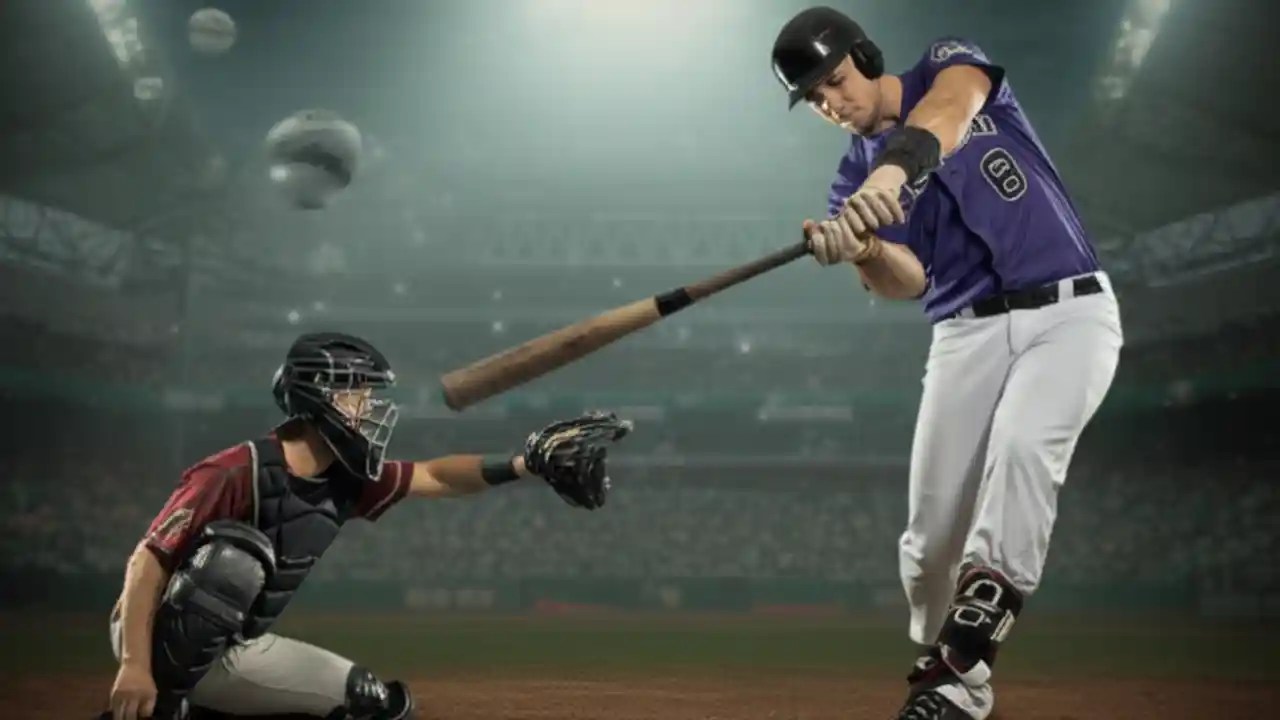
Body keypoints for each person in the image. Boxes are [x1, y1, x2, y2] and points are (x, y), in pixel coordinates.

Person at [770, 7, 1123, 719]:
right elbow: (906, 282)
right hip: (965, 335)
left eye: (835, 80)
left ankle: (961, 673)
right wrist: (865, 249)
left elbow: (950, 111)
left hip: (1070, 312)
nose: (831, 103)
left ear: (866, 56)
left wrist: (892, 174)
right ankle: (945, 670)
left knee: (1024, 448)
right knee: (929, 548)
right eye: (813, 98)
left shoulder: (945, 64)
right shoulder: (848, 183)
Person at [100, 331, 632, 720]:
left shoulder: (347, 479)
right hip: (155, 633)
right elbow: (148, 560)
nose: (371, 405)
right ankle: (161, 708)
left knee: (376, 704)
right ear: (320, 395)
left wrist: (523, 464)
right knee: (228, 564)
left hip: (234, 644)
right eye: (359, 392)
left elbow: (436, 476)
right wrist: (135, 666)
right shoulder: (233, 470)